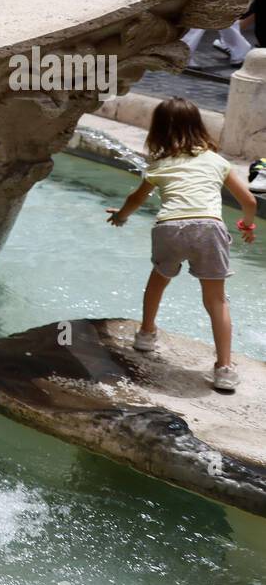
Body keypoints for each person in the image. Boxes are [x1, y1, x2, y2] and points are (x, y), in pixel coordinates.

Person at [106, 97, 257, 393]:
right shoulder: (217, 161)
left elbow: (136, 199)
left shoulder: (159, 165)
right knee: (217, 300)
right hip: (209, 229)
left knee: (159, 280)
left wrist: (121, 217)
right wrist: (248, 226)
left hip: (169, 228)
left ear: (158, 130)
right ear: (199, 126)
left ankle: (146, 335)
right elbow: (249, 201)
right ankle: (224, 369)